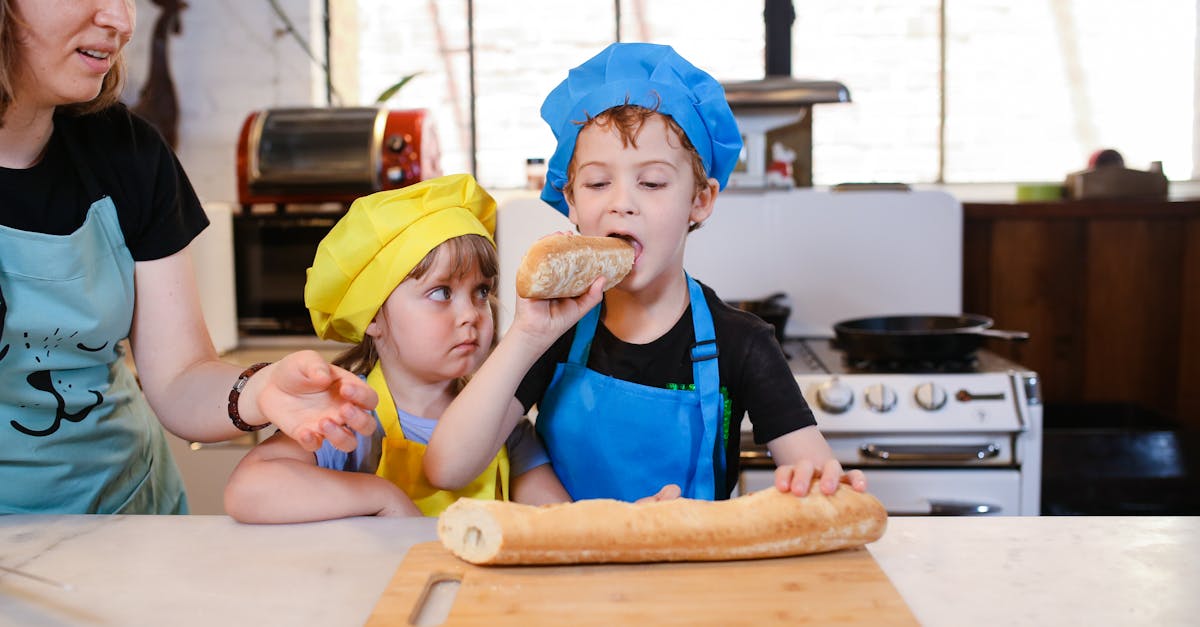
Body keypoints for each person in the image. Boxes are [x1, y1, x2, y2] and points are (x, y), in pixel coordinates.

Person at [425, 43, 868, 502]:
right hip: (572, 566)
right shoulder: (555, 330)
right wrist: (525, 334)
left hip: (693, 569)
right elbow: (448, 467)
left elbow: (810, 471)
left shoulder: (742, 342)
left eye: (652, 182)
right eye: (598, 183)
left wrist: (822, 484)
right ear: (571, 201)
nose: (622, 202)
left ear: (700, 200)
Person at [0, 0, 377, 514]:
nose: (122, 21)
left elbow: (181, 376)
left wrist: (264, 388)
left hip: (129, 511)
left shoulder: (127, 151)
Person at [224, 174, 571, 522]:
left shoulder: (500, 419)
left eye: (481, 291)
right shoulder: (351, 417)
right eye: (441, 293)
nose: (471, 314)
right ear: (373, 316)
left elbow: (558, 521)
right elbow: (247, 491)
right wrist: (380, 495)